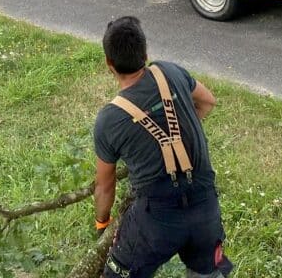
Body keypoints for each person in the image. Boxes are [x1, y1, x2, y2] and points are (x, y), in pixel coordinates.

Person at [93, 16, 232, 278]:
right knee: (208, 273)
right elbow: (208, 102)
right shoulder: (170, 71)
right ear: (145, 54)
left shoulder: (109, 119)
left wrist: (102, 222)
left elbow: (104, 186)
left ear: (109, 64)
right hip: (205, 206)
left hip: (156, 219)